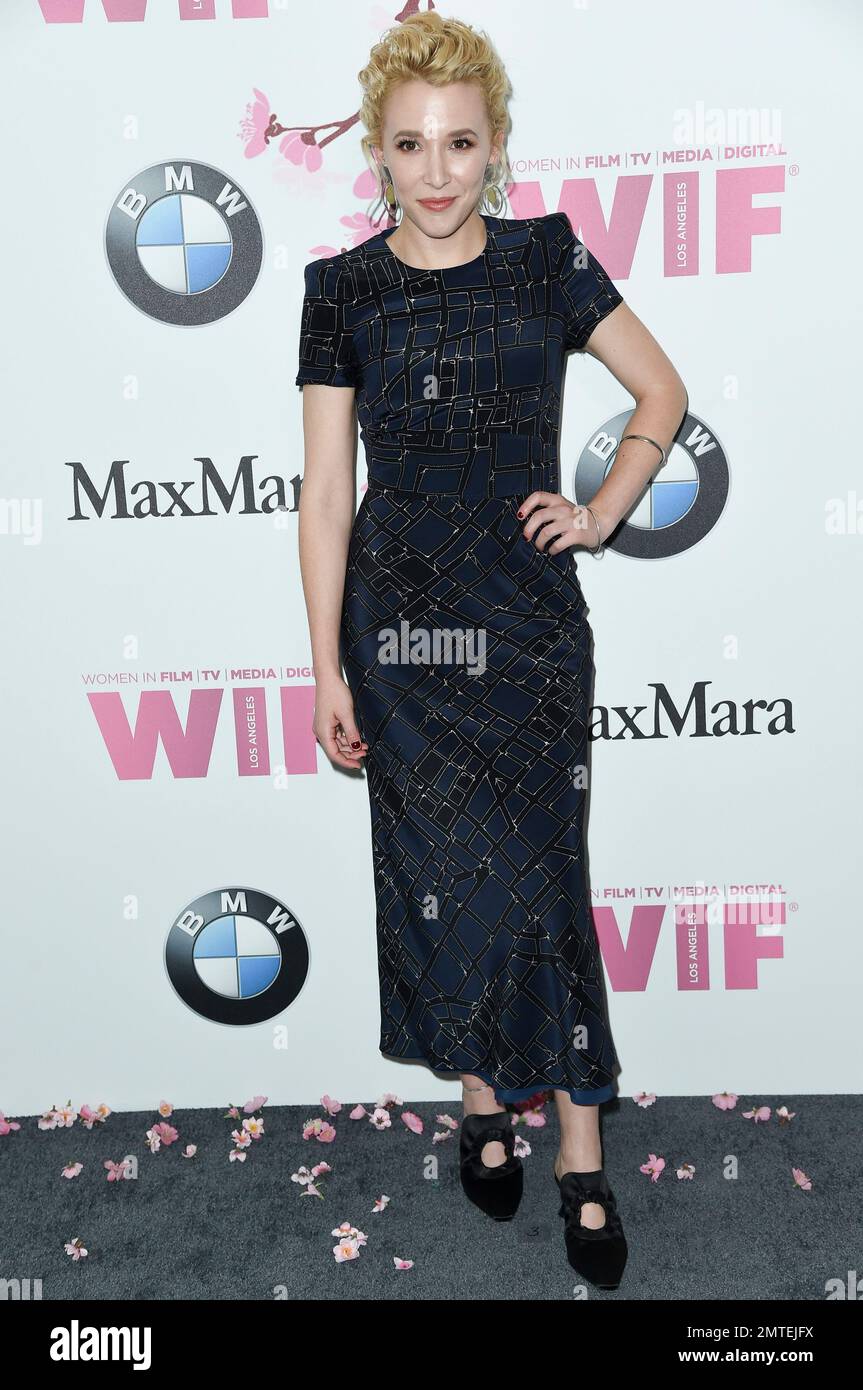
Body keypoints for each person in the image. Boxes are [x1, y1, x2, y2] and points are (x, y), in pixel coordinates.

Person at [295, 10, 687, 1291]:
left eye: (461, 141)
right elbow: (323, 492)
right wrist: (326, 666)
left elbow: (661, 394)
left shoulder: (546, 260)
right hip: (400, 642)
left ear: (495, 144)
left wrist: (601, 511)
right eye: (410, 144)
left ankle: (579, 1151)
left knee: (535, 882)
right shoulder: (339, 291)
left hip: (523, 628)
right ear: (377, 151)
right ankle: (478, 1103)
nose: (437, 169)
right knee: (442, 880)